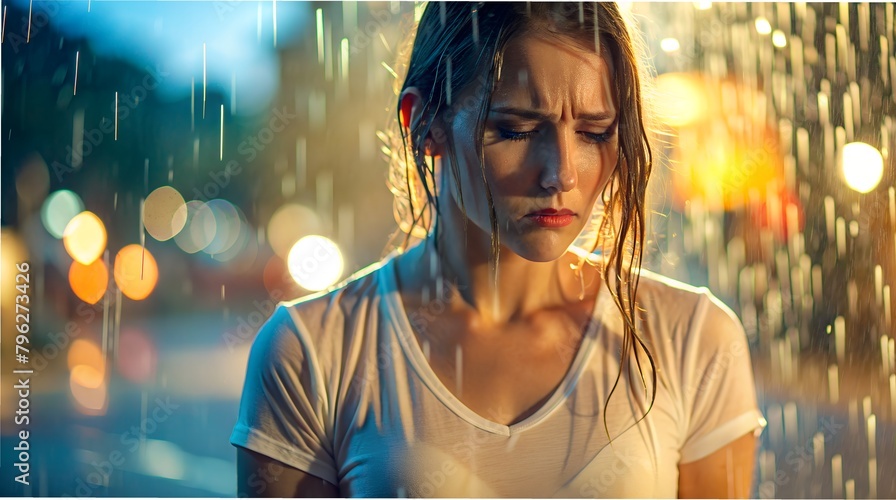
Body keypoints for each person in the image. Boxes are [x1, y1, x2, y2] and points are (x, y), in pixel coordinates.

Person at [231, 2, 764, 497]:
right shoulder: (311, 351)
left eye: (595, 132)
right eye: (515, 130)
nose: (561, 173)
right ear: (423, 124)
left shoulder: (693, 338)